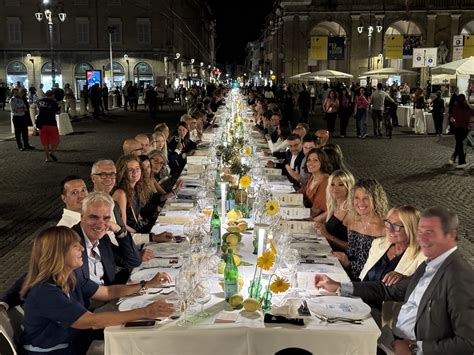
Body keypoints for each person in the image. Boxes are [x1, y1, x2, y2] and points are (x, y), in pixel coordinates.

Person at [314, 207, 474, 355]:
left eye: (430, 232)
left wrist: (415, 348)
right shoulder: (430, 263)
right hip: (390, 337)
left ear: (451, 236)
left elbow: (468, 343)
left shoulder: (459, 275)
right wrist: (339, 286)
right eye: (420, 231)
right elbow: (387, 290)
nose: (422, 238)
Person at [19, 226, 174, 354]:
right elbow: (92, 321)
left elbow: (107, 292)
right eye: (75, 246)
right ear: (58, 254)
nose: (82, 248)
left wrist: (146, 284)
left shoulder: (69, 276)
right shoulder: (46, 293)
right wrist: (145, 312)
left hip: (76, 341)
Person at [333, 179, 388, 280]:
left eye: (366, 198)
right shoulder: (353, 223)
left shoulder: (385, 227)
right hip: (345, 275)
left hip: (367, 284)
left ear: (376, 200)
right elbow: (351, 251)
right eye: (356, 198)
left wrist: (348, 263)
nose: (360, 203)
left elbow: (379, 268)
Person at [359, 205, 426, 283]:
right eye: (388, 223)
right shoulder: (377, 243)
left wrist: (405, 280)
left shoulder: (423, 257)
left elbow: (421, 287)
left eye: (396, 226)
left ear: (411, 229)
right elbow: (362, 277)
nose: (390, 230)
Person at [314, 169, 355, 252]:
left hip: (338, 260)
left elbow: (352, 248)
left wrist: (327, 235)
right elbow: (316, 221)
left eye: (341, 185)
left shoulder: (350, 213)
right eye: (332, 184)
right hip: (326, 250)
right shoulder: (335, 206)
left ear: (349, 188)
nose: (335, 188)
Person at [112, 155, 155, 233]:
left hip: (137, 228)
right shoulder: (120, 193)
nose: (135, 172)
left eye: (137, 169)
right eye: (130, 170)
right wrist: (141, 235)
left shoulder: (136, 188)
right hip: (130, 233)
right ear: (123, 173)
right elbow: (123, 225)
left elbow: (137, 215)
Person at [297, 148, 331, 218]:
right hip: (308, 212)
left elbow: (315, 212)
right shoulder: (313, 176)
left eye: (315, 160)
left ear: (322, 162)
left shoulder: (325, 182)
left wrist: (295, 215)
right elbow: (300, 192)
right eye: (309, 160)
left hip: (318, 221)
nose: (310, 163)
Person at [448, 94, 473, 169]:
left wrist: (455, 122)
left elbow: (452, 118)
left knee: (460, 144)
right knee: (459, 144)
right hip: (466, 128)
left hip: (458, 128)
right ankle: (454, 158)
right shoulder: (468, 107)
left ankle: (462, 162)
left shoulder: (456, 107)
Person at [36, 90, 60, 162]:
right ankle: (51, 152)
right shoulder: (53, 102)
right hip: (51, 123)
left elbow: (39, 109)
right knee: (56, 141)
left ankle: (47, 158)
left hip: (41, 124)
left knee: (45, 142)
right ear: (52, 95)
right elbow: (57, 112)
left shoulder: (39, 101)